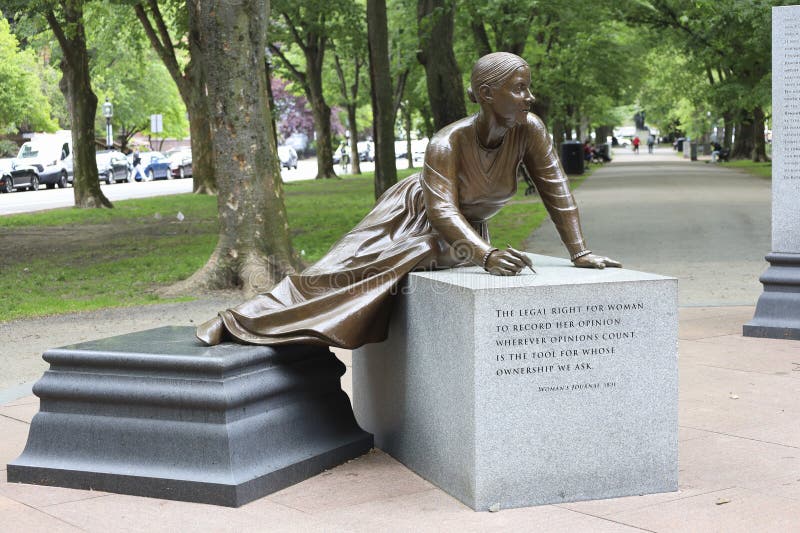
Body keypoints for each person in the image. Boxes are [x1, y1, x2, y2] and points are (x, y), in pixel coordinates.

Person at [196, 52, 621, 348]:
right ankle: (241, 320)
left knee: (423, 252)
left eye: (528, 89)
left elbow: (556, 189)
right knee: (332, 273)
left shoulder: (530, 130)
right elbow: (441, 209)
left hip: (458, 233)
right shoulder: (447, 143)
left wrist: (579, 252)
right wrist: (485, 255)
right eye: (519, 88)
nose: (529, 97)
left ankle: (273, 320)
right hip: (409, 214)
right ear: (487, 94)